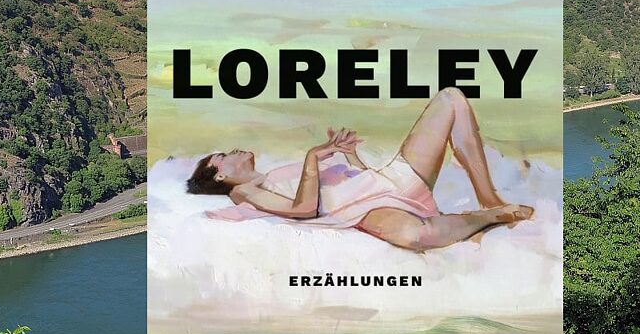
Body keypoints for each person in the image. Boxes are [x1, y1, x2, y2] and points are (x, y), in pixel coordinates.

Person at [185, 87, 533, 250]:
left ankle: (489, 198)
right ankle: (486, 217)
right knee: (416, 237)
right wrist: (313, 157)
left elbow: (356, 180)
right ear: (220, 175)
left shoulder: (269, 177)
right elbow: (304, 209)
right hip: (371, 210)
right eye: (223, 156)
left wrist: (349, 156)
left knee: (451, 99)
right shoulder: (243, 192)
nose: (231, 152)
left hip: (387, 181)